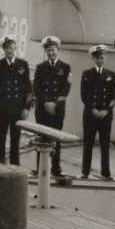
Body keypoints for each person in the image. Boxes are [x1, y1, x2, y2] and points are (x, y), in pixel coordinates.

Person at [0, 35, 33, 166]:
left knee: (15, 139)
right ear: (3, 50)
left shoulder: (23, 64)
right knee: (0, 138)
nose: (9, 50)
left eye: (11, 47)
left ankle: (15, 165)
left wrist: (27, 107)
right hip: (2, 108)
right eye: (6, 48)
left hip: (17, 108)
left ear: (15, 48)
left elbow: (28, 87)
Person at [32, 36, 71, 176]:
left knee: (56, 138)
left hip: (57, 109)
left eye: (53, 50)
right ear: (45, 51)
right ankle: (40, 167)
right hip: (43, 108)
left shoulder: (65, 67)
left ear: (57, 50)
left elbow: (66, 87)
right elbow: (36, 87)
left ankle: (55, 168)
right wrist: (46, 103)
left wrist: (55, 103)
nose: (51, 53)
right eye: (48, 50)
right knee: (41, 137)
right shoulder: (40, 67)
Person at [80, 45, 115, 180]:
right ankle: (85, 172)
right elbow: (84, 96)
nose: (100, 60)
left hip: (105, 116)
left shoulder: (111, 75)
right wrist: (93, 109)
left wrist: (106, 110)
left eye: (102, 57)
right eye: (97, 58)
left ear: (104, 58)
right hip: (90, 115)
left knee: (105, 144)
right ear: (93, 59)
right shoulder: (86, 74)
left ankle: (105, 172)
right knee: (88, 143)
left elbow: (114, 96)